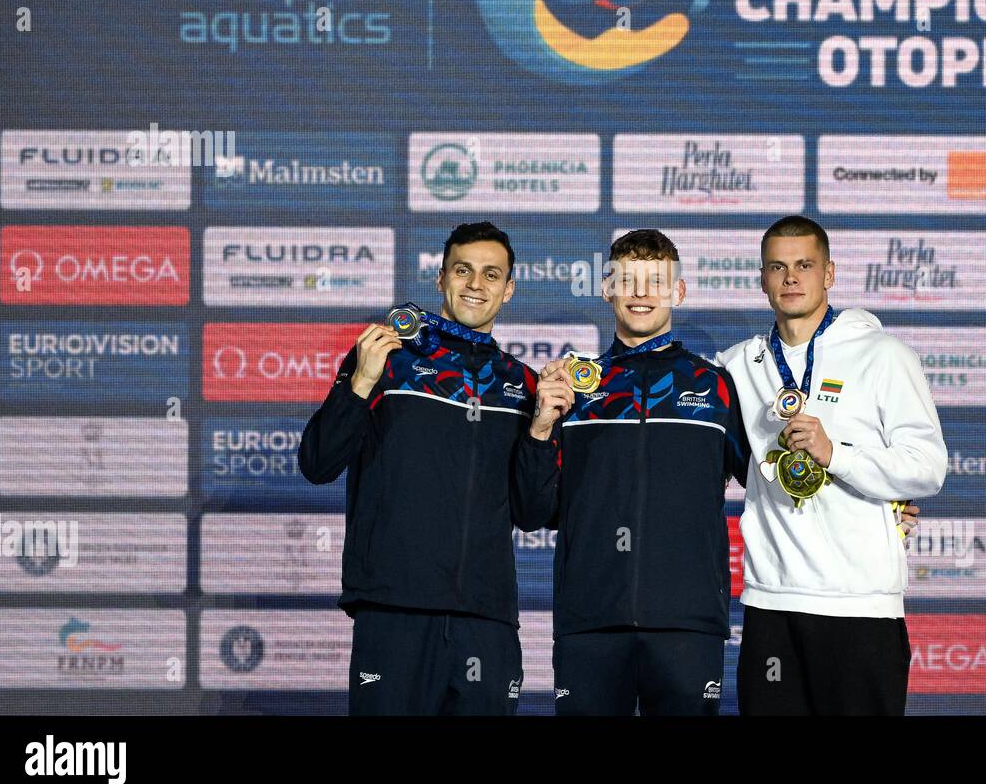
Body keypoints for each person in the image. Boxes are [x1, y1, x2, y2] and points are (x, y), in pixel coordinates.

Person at [298, 221, 544, 715]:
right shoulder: (388, 360)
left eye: (491, 274)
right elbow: (318, 463)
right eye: (463, 270)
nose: (476, 284)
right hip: (395, 610)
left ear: (509, 288)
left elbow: (533, 510)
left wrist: (540, 435)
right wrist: (359, 385)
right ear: (441, 279)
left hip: (486, 617)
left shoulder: (523, 385)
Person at [714, 215, 947, 715]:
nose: (791, 278)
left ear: (830, 273)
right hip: (772, 601)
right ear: (762, 279)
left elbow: (927, 466)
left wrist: (836, 454)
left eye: (804, 265)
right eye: (777, 267)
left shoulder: (883, 356)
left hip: (860, 605)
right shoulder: (737, 365)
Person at [516, 229, 751, 715]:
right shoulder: (575, 391)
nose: (641, 293)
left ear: (678, 292)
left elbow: (769, 483)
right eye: (628, 280)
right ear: (607, 289)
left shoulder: (716, 387)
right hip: (591, 623)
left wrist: (875, 508)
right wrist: (540, 428)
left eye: (656, 281)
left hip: (688, 624)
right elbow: (534, 509)